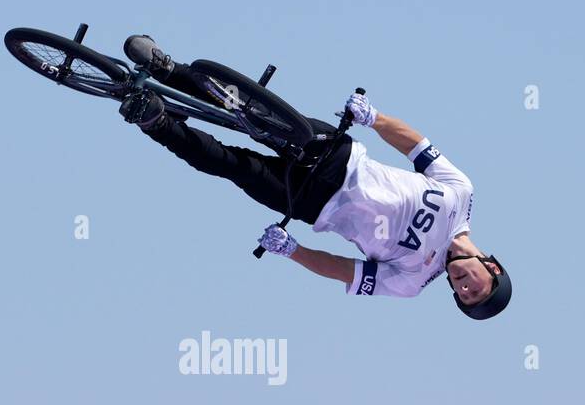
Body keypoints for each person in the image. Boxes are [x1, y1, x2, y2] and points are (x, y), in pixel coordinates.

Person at [117, 34, 511, 318]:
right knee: (250, 110)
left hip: (313, 203)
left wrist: (293, 251)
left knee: (230, 165)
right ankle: (169, 70)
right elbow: (415, 145)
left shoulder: (412, 282)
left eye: (463, 295)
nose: (463, 286)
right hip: (342, 157)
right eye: (474, 287)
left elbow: (342, 269)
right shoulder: (461, 195)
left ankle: (155, 121)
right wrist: (374, 118)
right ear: (492, 268)